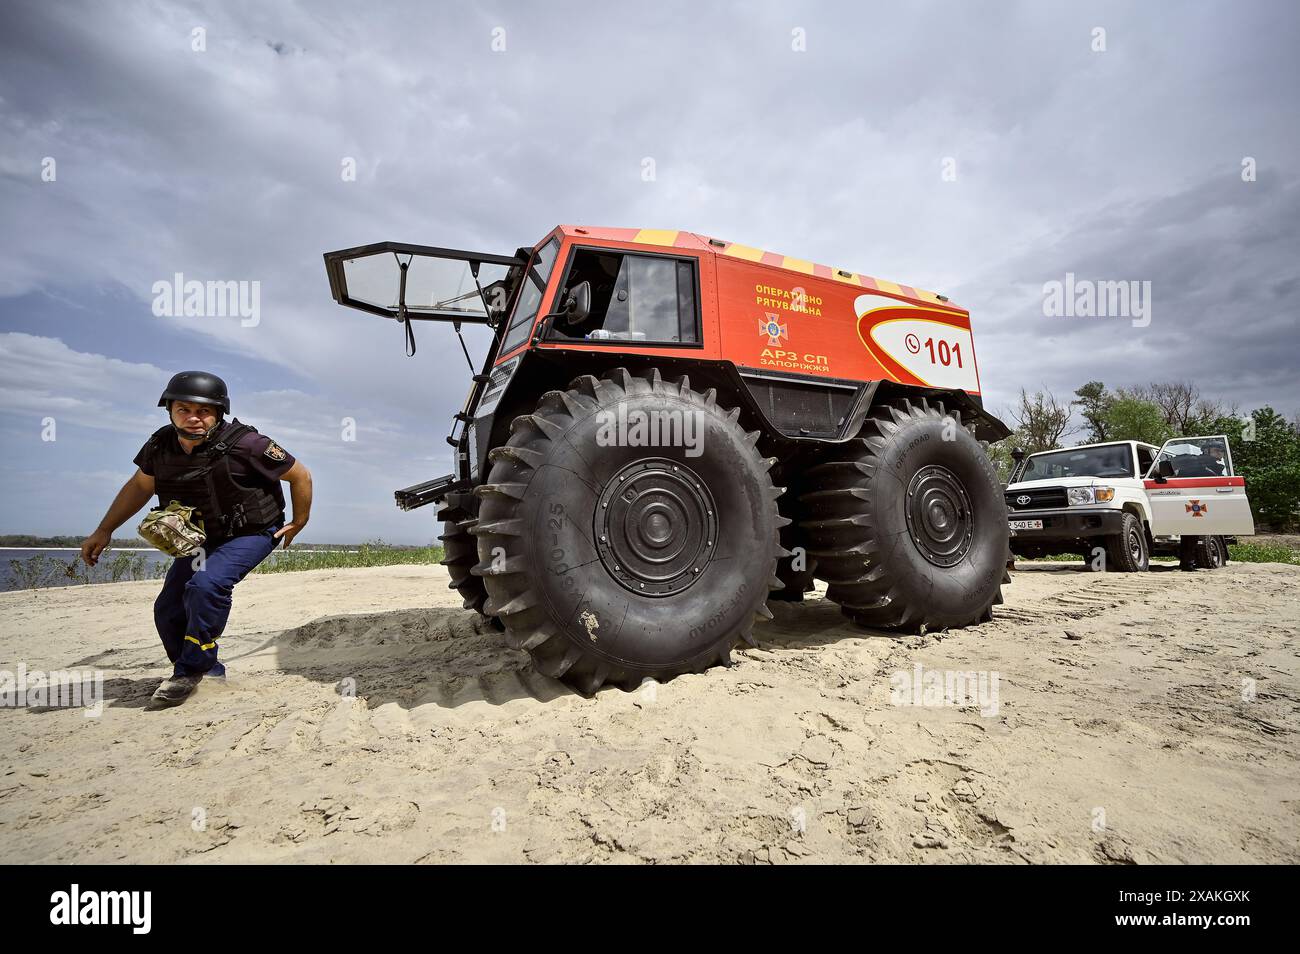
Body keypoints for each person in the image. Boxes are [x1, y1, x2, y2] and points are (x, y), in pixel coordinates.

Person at [80, 371, 313, 709]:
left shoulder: (249, 444)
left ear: (218, 412)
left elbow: (300, 474)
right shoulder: (160, 445)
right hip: (202, 539)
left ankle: (188, 672)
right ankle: (207, 670)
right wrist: (104, 530)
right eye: (183, 409)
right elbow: (140, 487)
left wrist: (299, 520)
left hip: (251, 533)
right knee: (169, 608)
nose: (193, 418)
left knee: (206, 586)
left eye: (203, 411)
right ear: (170, 411)